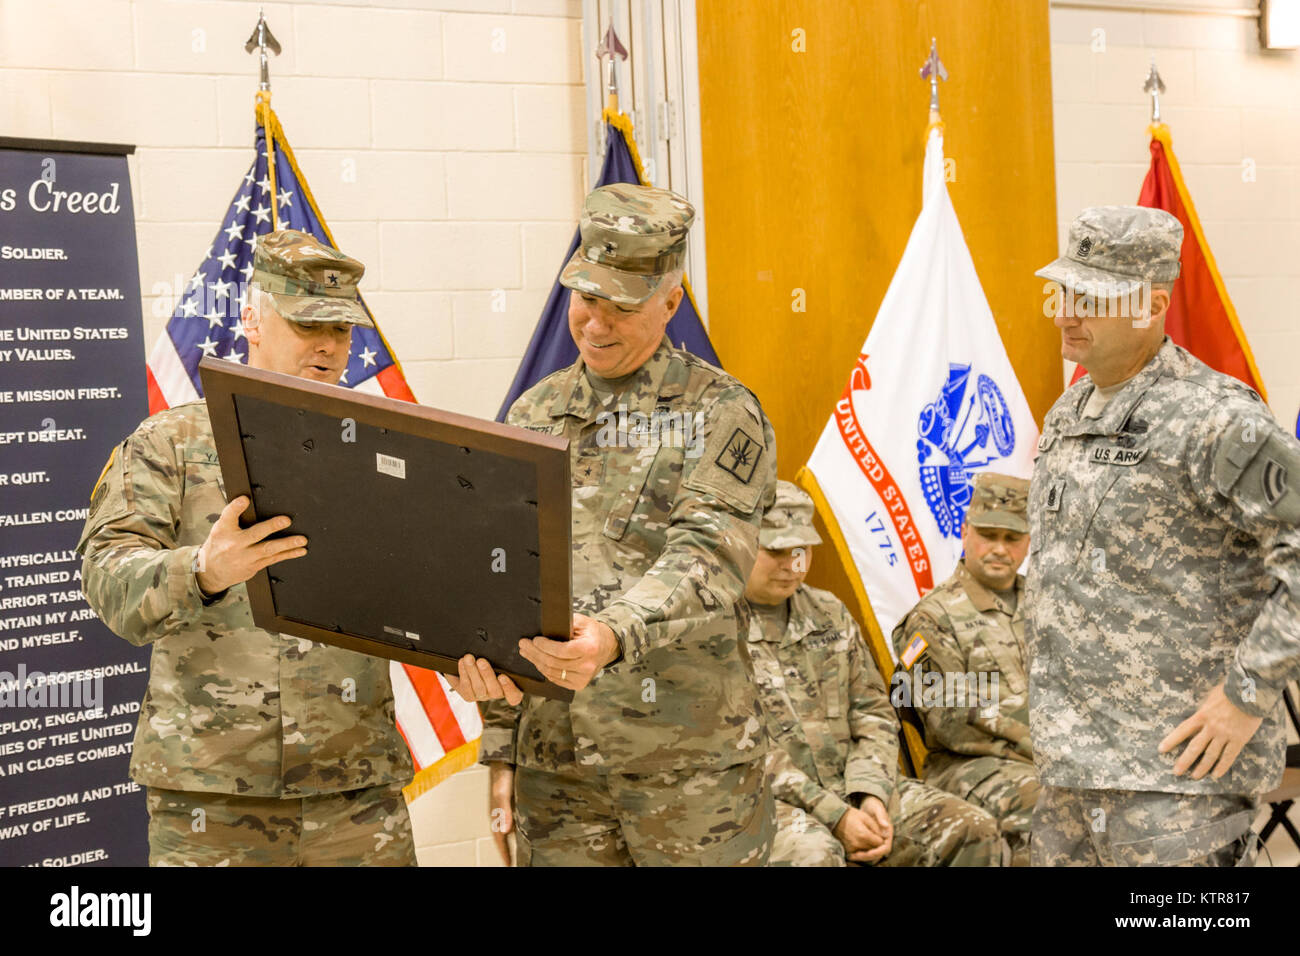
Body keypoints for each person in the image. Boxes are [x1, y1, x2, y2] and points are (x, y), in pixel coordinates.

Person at [77, 229, 518, 866]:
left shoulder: (387, 449)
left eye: (341, 330)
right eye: (308, 323)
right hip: (213, 799)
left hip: (355, 796)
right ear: (252, 319)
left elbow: (428, 592)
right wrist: (203, 569)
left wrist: (467, 658)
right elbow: (107, 580)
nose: (328, 346)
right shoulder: (168, 443)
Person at [480, 183, 778, 866]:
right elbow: (500, 572)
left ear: (672, 301)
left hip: (686, 766)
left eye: (623, 305)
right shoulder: (535, 413)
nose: (595, 323)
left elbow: (710, 552)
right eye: (586, 298)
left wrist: (613, 635)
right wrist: (501, 746)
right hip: (557, 767)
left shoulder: (722, 412)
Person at [1028, 205, 1300, 866]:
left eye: (1089, 296)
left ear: (1150, 305)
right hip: (1070, 769)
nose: (1067, 309)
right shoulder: (1068, 411)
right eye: (1064, 290)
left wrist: (1246, 697)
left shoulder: (1217, 418)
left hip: (1177, 781)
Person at [749, 481, 1001, 867]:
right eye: (777, 550)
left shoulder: (828, 612)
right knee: (816, 856)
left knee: (971, 828)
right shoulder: (710, 631)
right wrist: (836, 817)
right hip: (768, 804)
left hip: (855, 787)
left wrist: (870, 796)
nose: (792, 565)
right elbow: (741, 755)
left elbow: (874, 712)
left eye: (801, 551)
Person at [890, 472, 1039, 866]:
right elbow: (952, 720)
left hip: (1046, 758)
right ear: (965, 531)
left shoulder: (1048, 603)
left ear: (1028, 540)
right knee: (1051, 803)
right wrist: (1045, 744)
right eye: (988, 535)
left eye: (1012, 538)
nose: (999, 549)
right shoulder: (931, 618)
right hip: (966, 767)